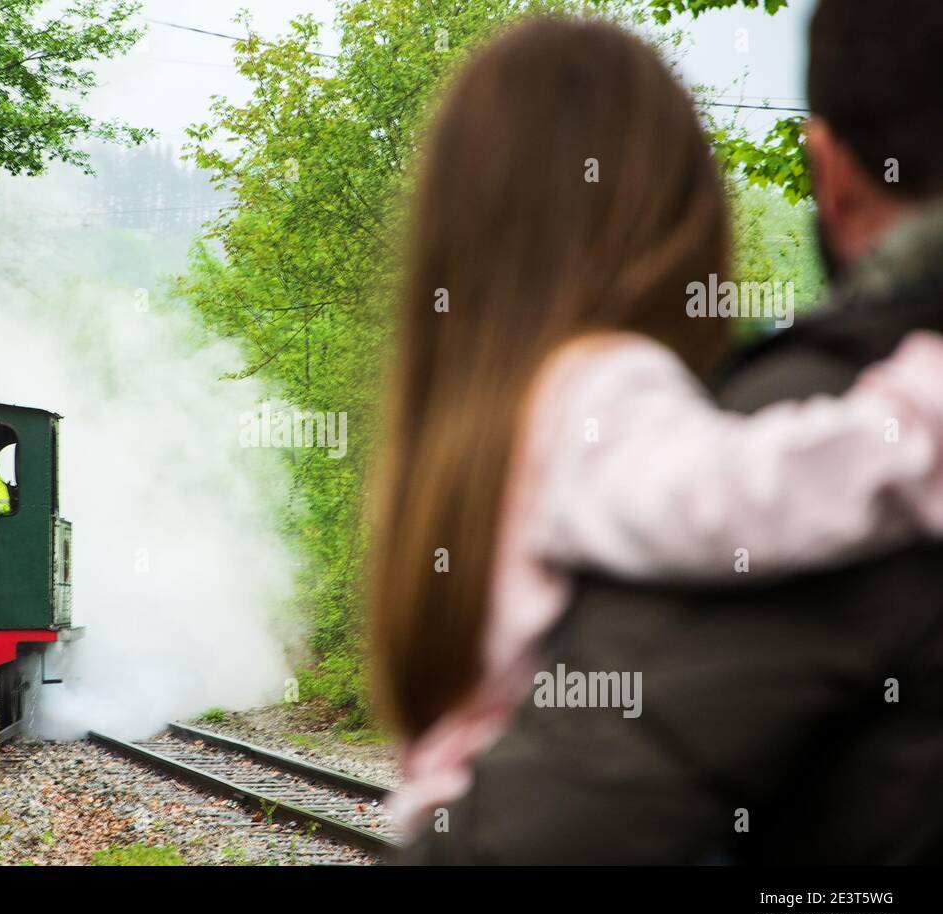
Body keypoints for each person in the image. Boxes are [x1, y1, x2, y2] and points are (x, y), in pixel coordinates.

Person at [376, 6, 943, 864]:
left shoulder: (495, 409)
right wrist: (906, 421)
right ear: (673, 213)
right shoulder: (605, 385)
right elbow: (731, 503)